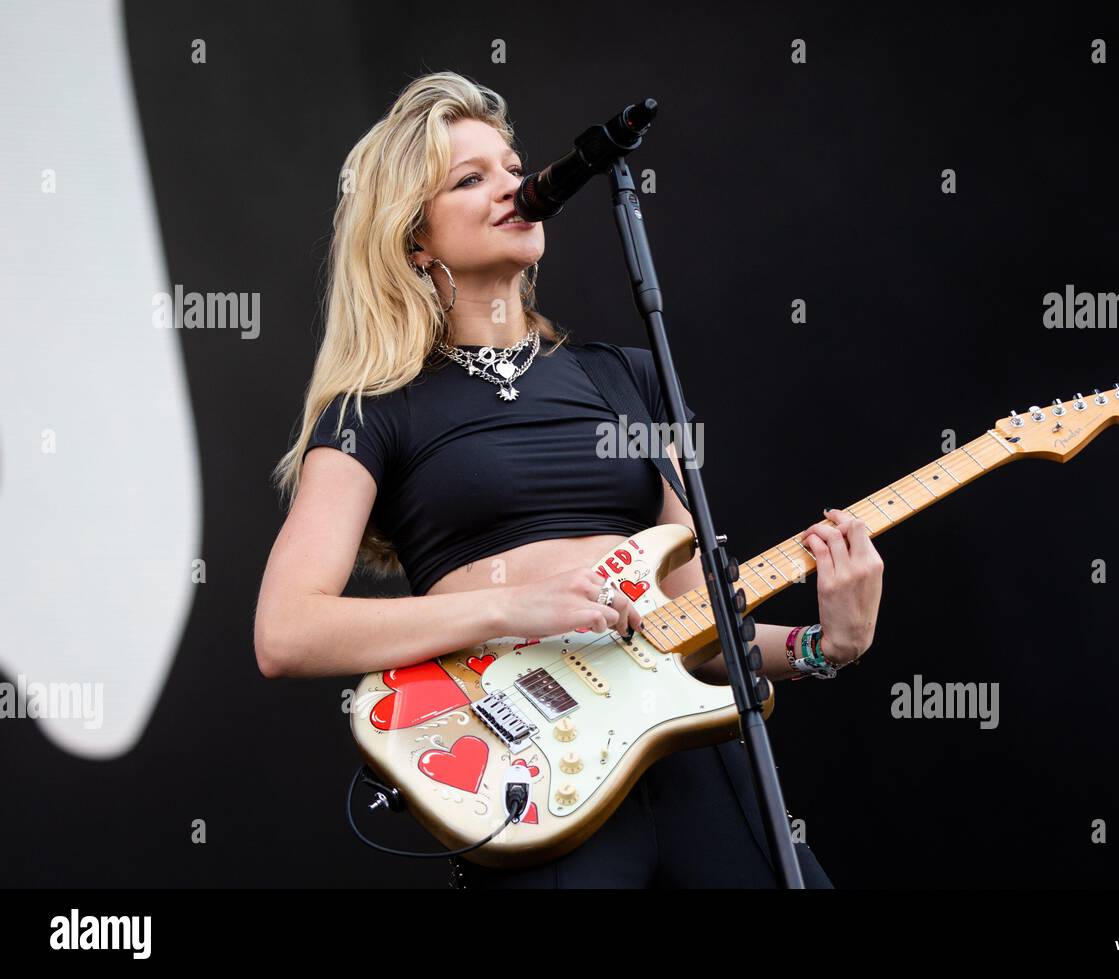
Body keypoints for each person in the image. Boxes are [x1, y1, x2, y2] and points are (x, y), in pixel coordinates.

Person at [255, 71, 884, 888]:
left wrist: (822, 647)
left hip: (692, 767)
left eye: (512, 168)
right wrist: (517, 605)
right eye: (470, 177)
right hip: (535, 781)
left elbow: (695, 633)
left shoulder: (623, 377)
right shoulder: (373, 409)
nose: (513, 187)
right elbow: (286, 631)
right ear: (415, 239)